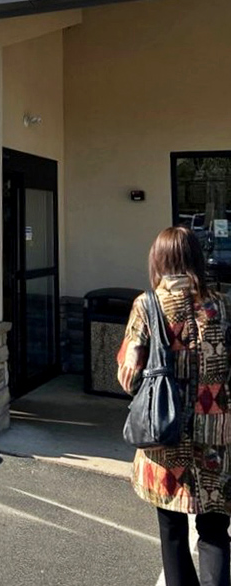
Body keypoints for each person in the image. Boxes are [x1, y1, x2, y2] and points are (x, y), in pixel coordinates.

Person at [117, 226, 231, 586]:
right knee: (215, 529)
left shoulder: (148, 305)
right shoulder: (221, 304)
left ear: (159, 260)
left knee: (173, 531)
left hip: (166, 436)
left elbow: (128, 376)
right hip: (217, 436)